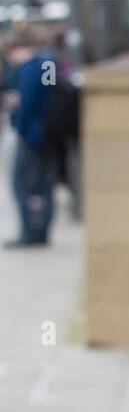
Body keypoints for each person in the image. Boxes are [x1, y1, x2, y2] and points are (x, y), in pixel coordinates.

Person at [4, 29, 59, 248]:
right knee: (45, 184)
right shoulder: (49, 64)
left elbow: (26, 106)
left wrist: (19, 126)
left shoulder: (28, 69)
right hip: (50, 133)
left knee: (23, 183)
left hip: (31, 134)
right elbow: (51, 94)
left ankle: (30, 230)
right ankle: (42, 228)